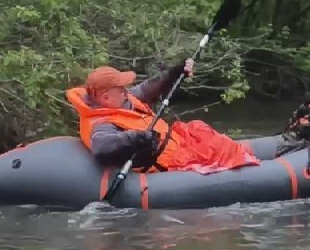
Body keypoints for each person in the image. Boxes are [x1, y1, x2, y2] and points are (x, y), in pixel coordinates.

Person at [64, 61, 259, 174]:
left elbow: (148, 88)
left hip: (179, 144)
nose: (126, 91)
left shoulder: (118, 100)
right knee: (221, 151)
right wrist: (137, 138)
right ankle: (253, 169)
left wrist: (175, 72)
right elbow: (102, 147)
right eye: (121, 89)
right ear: (105, 97)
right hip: (171, 163)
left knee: (199, 128)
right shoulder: (101, 124)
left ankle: (248, 158)